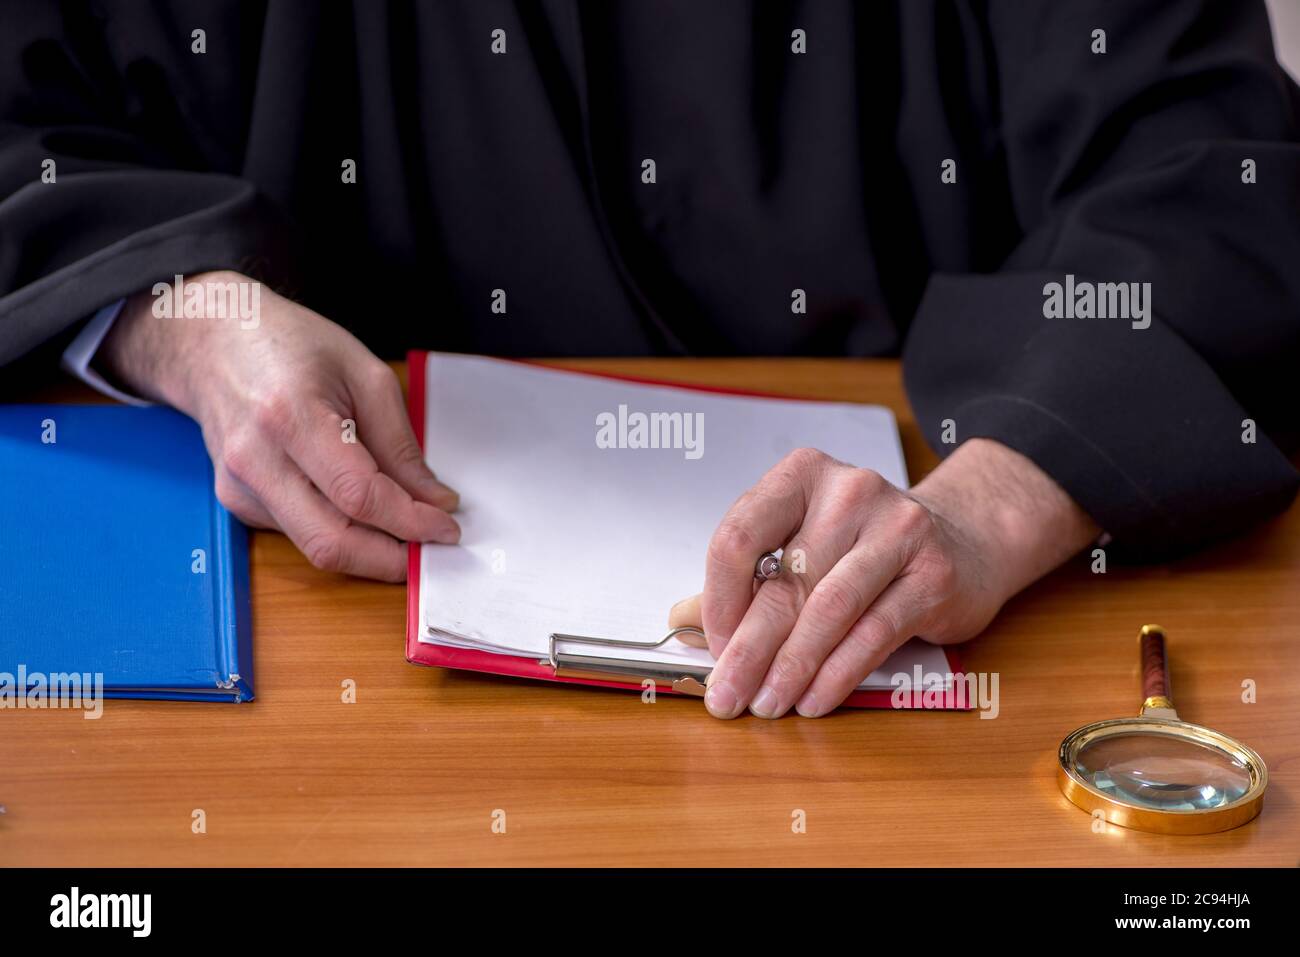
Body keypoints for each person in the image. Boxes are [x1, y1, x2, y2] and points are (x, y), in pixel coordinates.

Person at [2, 1, 1297, 720]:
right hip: (332, 672)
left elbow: (1216, 175)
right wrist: (183, 311)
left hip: (898, 678)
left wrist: (1000, 498)